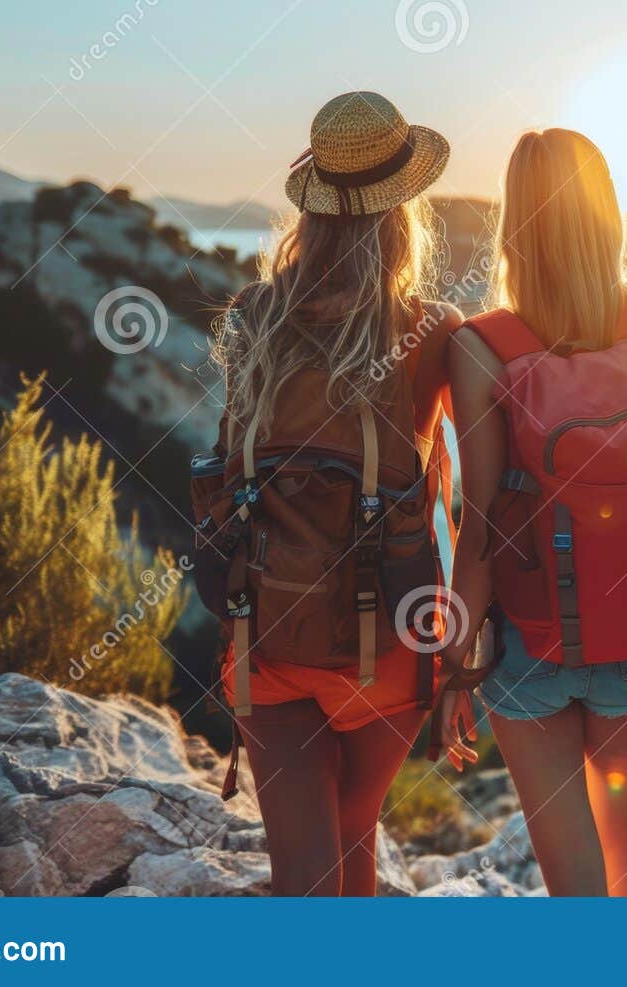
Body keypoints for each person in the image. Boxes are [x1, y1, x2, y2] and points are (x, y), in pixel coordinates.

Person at [210, 91, 472, 896]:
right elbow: (485, 499)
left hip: (267, 637)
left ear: (313, 210)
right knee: (354, 838)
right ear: (402, 217)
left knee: (304, 873)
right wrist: (466, 653)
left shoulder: (255, 317)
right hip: (390, 647)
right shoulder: (434, 331)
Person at [439, 128, 627, 897]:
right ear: (607, 215)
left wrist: (456, 663)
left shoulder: (483, 344)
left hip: (529, 643)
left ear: (516, 225)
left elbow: (479, 523)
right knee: (625, 845)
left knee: (569, 864)